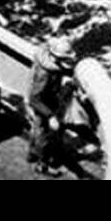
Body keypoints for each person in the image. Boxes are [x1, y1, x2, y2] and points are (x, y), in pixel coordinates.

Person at [26, 36, 76, 177]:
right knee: (44, 135)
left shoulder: (45, 57)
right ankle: (42, 165)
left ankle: (32, 154)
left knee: (37, 130)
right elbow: (34, 99)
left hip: (43, 100)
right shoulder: (45, 74)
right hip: (42, 103)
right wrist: (51, 116)